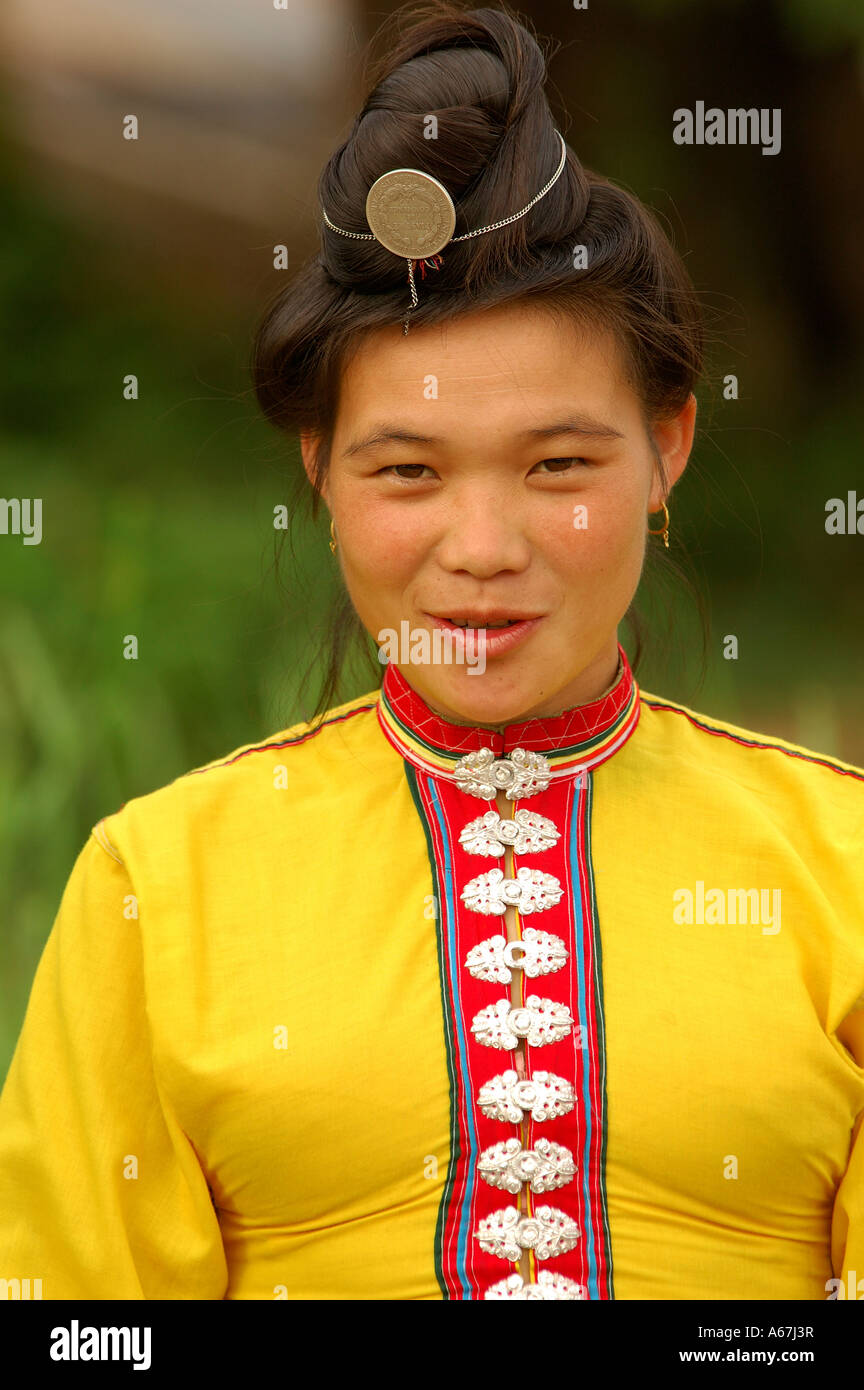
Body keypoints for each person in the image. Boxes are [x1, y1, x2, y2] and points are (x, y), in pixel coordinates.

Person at [1, 2, 862, 1302]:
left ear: (667, 451)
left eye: (558, 466)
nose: (483, 547)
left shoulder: (842, 872)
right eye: (407, 471)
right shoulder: (157, 891)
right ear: (321, 473)